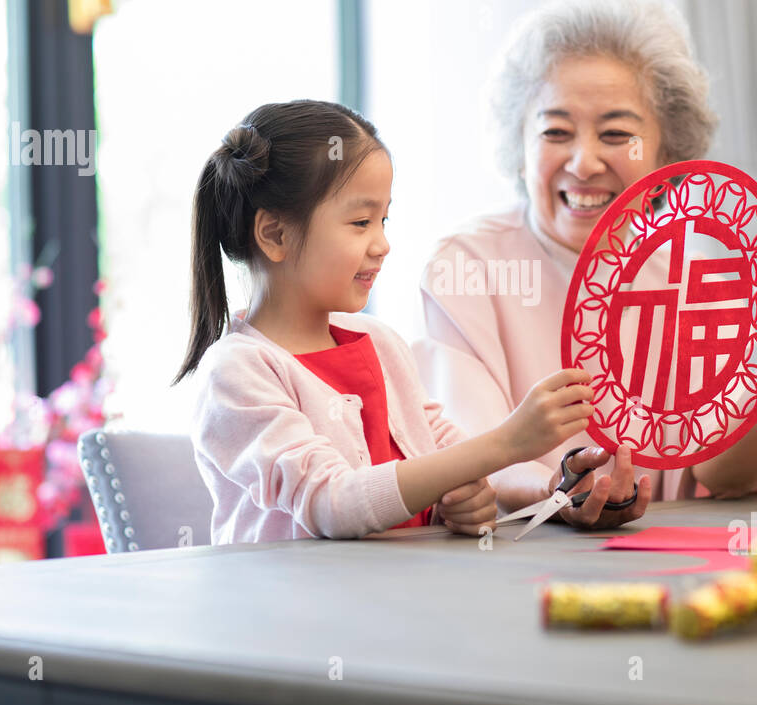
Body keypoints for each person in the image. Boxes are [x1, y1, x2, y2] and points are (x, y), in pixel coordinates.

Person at [415, 0, 757, 530]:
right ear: (519, 145)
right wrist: (560, 493)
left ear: (666, 151)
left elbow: (725, 478)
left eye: (616, 134)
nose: (583, 162)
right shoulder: (465, 266)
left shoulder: (698, 272)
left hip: (668, 571)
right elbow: (470, 458)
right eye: (556, 131)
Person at [175, 100, 595, 542]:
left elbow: (444, 451)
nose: (383, 244)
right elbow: (332, 502)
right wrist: (506, 442)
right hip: (293, 607)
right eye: (360, 222)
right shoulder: (238, 372)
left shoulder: (381, 342)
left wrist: (484, 497)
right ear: (274, 235)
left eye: (383, 219)